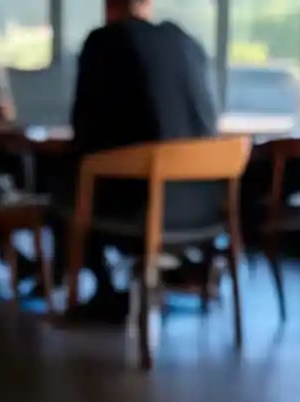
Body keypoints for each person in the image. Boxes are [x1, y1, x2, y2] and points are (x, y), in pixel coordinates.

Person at [63, 0, 221, 312]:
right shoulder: (188, 43)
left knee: (70, 184)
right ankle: (179, 266)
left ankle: (100, 289)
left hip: (141, 207)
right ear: (148, 5)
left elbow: (84, 131)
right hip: (205, 209)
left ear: (108, 7)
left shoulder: (103, 43)